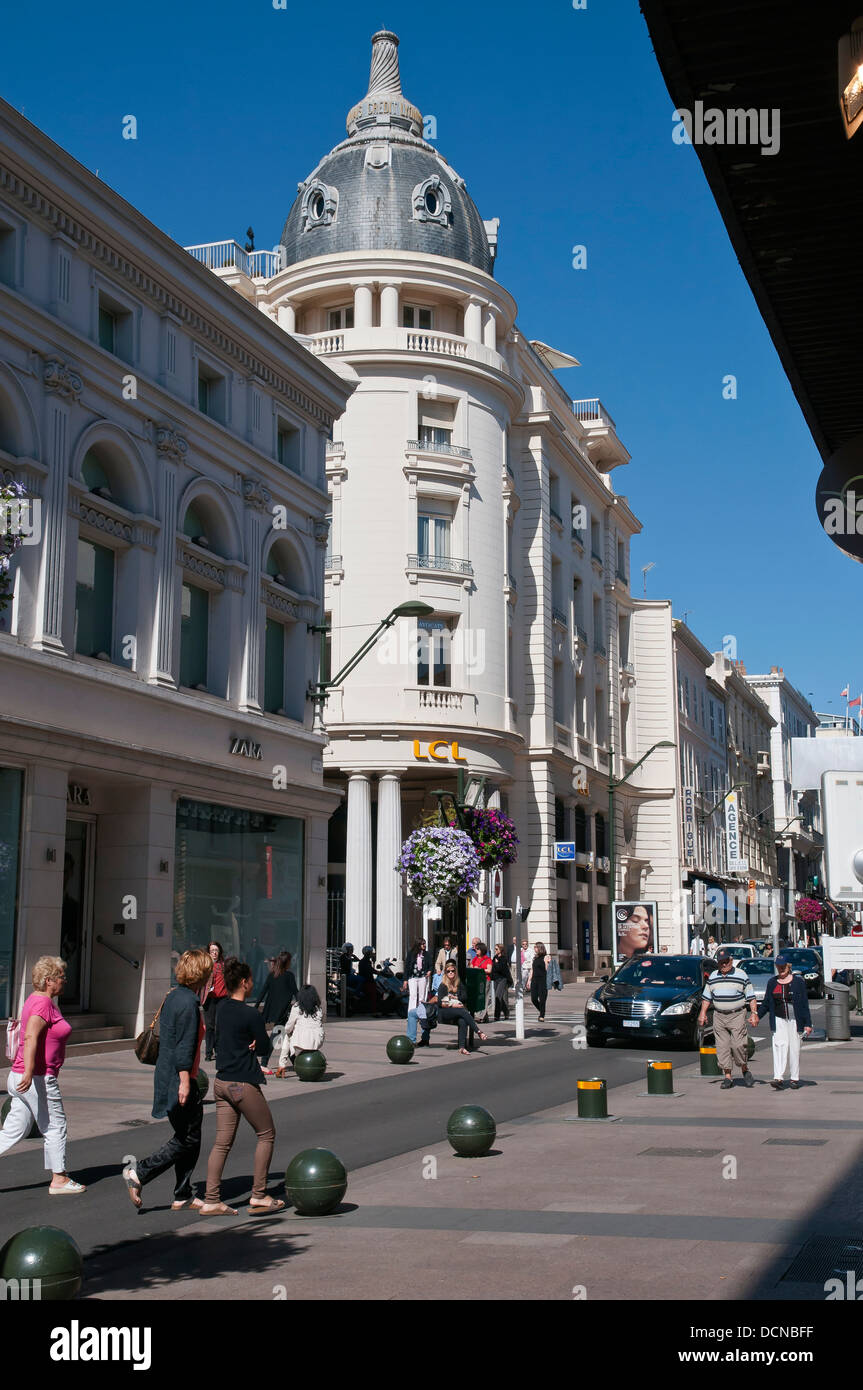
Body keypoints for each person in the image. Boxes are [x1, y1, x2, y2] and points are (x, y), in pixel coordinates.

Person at [123, 948, 212, 1211]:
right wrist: (185, 1081)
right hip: (179, 1078)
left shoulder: (175, 996)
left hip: (168, 1075)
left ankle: (183, 1193)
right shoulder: (188, 1003)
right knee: (187, 1138)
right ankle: (139, 1172)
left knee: (188, 1135)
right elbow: (183, 1046)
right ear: (201, 974)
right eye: (207, 972)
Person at [200, 957, 283, 1215]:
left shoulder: (222, 1008)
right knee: (266, 1134)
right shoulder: (249, 1013)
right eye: (251, 981)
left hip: (221, 1082)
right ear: (245, 983)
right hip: (242, 1082)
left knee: (222, 1143)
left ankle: (211, 1199)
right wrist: (254, 1043)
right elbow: (266, 1046)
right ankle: (259, 1195)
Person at [0, 955, 83, 1193]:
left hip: (25, 1076)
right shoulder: (43, 1004)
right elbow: (30, 1037)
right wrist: (28, 1072)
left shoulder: (35, 1000)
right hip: (37, 1077)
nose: (64, 981)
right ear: (49, 980)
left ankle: (59, 1176)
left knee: (15, 1130)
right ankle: (59, 1179)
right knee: (55, 1125)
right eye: (61, 977)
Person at [698, 950, 759, 1090]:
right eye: (721, 962)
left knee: (738, 1045)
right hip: (719, 1015)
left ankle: (744, 1068)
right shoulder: (713, 976)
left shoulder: (741, 975)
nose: (724, 964)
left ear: (731, 960)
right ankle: (727, 1077)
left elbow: (751, 996)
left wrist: (754, 1013)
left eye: (726, 961)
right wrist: (703, 1013)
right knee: (722, 1047)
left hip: (737, 1014)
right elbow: (707, 997)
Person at [757, 954, 813, 1090]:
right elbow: (766, 1003)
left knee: (794, 1048)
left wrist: (808, 1023)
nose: (781, 969)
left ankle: (794, 1078)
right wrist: (757, 1016)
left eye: (783, 966)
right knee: (779, 1046)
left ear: (788, 966)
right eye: (778, 966)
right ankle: (778, 1077)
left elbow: (804, 1004)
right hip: (779, 1019)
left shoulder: (798, 982)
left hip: (795, 1020)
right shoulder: (772, 982)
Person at [437, 962, 488, 1055]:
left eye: (453, 971)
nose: (451, 973)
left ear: (455, 972)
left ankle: (462, 1047)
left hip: (458, 1011)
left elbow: (465, 997)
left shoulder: (459, 984)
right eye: (448, 971)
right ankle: (479, 1031)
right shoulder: (443, 986)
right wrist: (452, 1005)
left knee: (463, 1021)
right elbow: (440, 1003)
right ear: (445, 973)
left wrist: (457, 998)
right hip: (444, 1012)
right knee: (462, 1011)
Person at [276, 985, 325, 1075]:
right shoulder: (319, 1009)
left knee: (287, 1035)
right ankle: (284, 1065)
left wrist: (290, 1031)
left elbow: (288, 1027)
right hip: (317, 1040)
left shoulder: (296, 1008)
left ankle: (281, 1066)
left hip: (303, 1040)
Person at [257, 950, 299, 1028]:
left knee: (277, 1033)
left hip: (271, 1011)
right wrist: (303, 1005)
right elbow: (296, 992)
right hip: (283, 1011)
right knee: (280, 1033)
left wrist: (256, 1006)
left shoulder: (272, 975)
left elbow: (263, 992)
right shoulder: (289, 976)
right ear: (287, 962)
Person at [202, 941, 227, 1061]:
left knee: (219, 1026)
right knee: (210, 1026)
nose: (214, 953)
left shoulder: (224, 965)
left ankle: (218, 1050)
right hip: (209, 999)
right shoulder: (205, 965)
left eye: (216, 950)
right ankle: (208, 1052)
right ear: (208, 952)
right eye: (212, 951)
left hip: (222, 998)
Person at [403, 938, 433, 1014]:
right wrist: (405, 980)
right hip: (412, 977)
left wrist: (429, 971)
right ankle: (411, 1014)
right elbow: (406, 967)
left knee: (422, 997)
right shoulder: (411, 954)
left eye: (425, 943)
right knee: (413, 996)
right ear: (418, 944)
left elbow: (430, 965)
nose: (424, 945)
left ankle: (421, 1014)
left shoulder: (426, 954)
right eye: (423, 944)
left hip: (423, 977)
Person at [469, 941, 493, 1021]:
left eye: (478, 949)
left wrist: (479, 969)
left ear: (482, 950)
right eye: (476, 949)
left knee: (484, 997)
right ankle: (484, 1017)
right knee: (478, 997)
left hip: (485, 980)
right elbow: (471, 967)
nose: (476, 950)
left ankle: (480, 1016)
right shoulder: (475, 959)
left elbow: (489, 970)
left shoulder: (487, 959)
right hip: (477, 980)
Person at [526, 942, 549, 1021]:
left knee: (542, 999)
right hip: (535, 980)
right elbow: (532, 969)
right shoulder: (535, 958)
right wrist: (529, 980)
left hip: (543, 980)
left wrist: (547, 962)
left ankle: (542, 1015)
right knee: (534, 998)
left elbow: (548, 970)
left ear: (540, 948)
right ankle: (542, 1011)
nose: (534, 949)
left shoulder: (546, 957)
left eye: (536, 947)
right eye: (534, 947)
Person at [490, 942, 513, 1020]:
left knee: (497, 997)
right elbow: (493, 969)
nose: (495, 950)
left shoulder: (503, 958)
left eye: (497, 949)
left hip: (502, 979)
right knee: (499, 997)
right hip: (496, 979)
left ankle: (497, 1015)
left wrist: (496, 963)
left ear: (501, 949)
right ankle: (506, 1012)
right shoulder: (495, 957)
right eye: (495, 949)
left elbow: (501, 969)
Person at [358, 945, 379, 1014]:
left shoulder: (365, 961)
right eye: (371, 952)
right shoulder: (365, 962)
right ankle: (374, 1011)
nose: (372, 954)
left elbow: (371, 970)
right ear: (368, 953)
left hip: (367, 980)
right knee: (374, 994)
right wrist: (380, 973)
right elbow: (371, 970)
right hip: (367, 981)